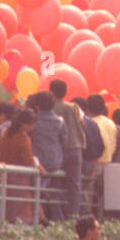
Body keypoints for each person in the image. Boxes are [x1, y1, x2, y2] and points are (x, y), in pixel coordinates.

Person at [49, 80, 87, 218]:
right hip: (77, 148)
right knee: (74, 185)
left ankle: (57, 215)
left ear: (52, 92)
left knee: (53, 183)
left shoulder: (52, 108)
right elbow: (84, 122)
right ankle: (73, 215)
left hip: (61, 149)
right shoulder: (75, 107)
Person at [29, 92, 67, 221]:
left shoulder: (33, 121)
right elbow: (65, 141)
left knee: (34, 190)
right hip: (56, 161)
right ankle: (58, 220)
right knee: (54, 193)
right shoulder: (60, 121)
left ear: (37, 106)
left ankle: (38, 217)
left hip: (38, 161)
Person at [0, 109, 37, 223]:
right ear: (24, 124)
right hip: (19, 178)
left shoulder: (5, 132)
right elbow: (29, 159)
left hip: (5, 174)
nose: (32, 127)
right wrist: (38, 166)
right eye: (31, 124)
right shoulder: (23, 138)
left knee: (6, 207)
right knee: (20, 208)